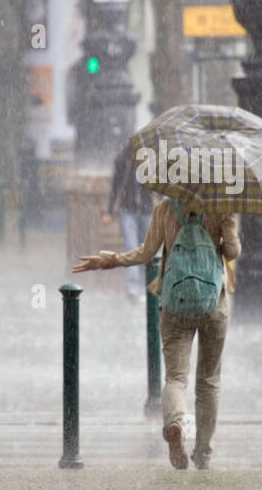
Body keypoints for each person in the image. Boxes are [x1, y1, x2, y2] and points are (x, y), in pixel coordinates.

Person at [72, 197, 240, 470]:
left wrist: (110, 260)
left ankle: (175, 423)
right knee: (209, 381)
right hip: (213, 303)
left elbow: (146, 253)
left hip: (176, 303)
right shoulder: (221, 204)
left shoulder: (166, 207)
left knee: (175, 378)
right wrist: (226, 230)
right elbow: (232, 251)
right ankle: (203, 454)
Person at [102, 147, 155, 301]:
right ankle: (133, 288)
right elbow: (115, 186)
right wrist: (109, 211)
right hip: (128, 212)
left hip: (146, 211)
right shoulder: (122, 160)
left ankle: (148, 286)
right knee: (132, 248)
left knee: (148, 250)